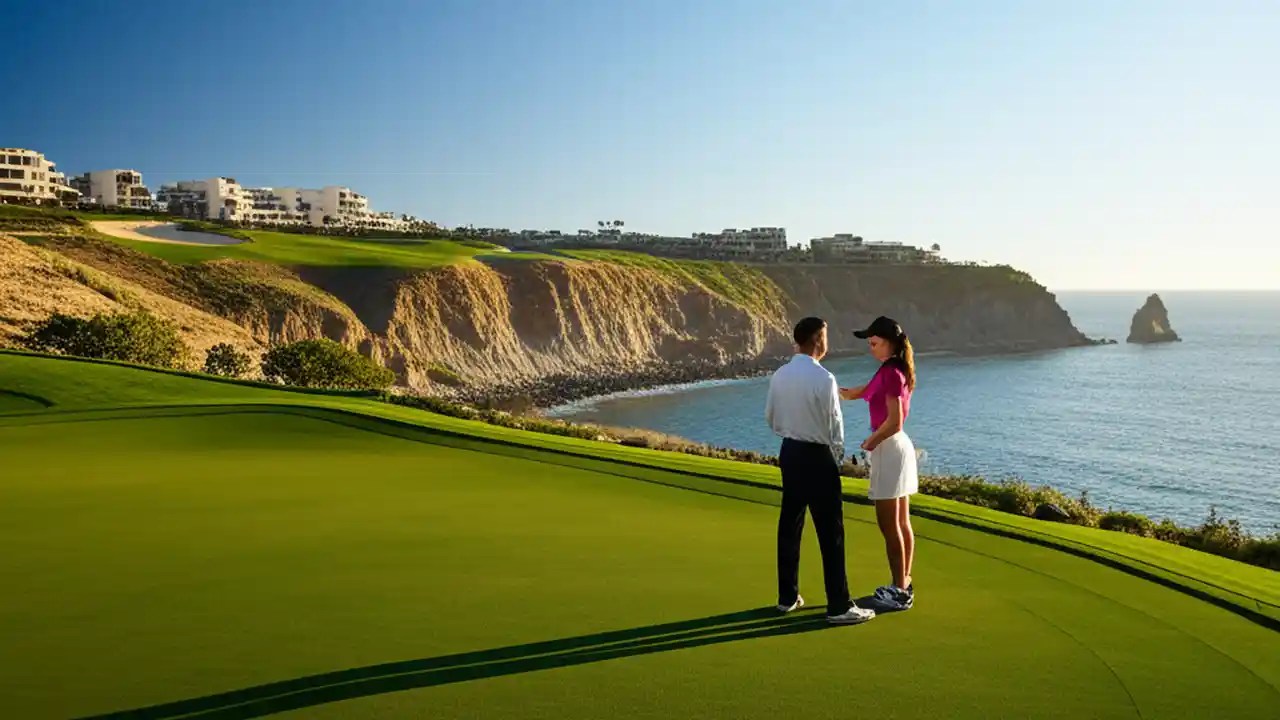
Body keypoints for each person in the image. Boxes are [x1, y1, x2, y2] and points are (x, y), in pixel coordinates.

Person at [765, 317, 876, 626]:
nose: (827, 341)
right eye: (825, 336)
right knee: (831, 532)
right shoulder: (824, 378)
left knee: (791, 523)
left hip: (789, 452)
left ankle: (787, 597)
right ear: (816, 340)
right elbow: (834, 428)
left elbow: (771, 418)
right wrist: (837, 455)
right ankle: (839, 605)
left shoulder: (780, 375)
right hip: (816, 456)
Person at [844, 316, 919, 612]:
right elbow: (862, 392)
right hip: (900, 446)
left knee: (889, 525)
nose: (871, 348)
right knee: (902, 521)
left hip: (889, 446)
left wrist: (870, 443)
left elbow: (894, 420)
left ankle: (898, 591)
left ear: (889, 342)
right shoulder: (894, 369)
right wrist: (837, 392)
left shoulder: (890, 373)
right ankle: (903, 584)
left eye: (874, 343)